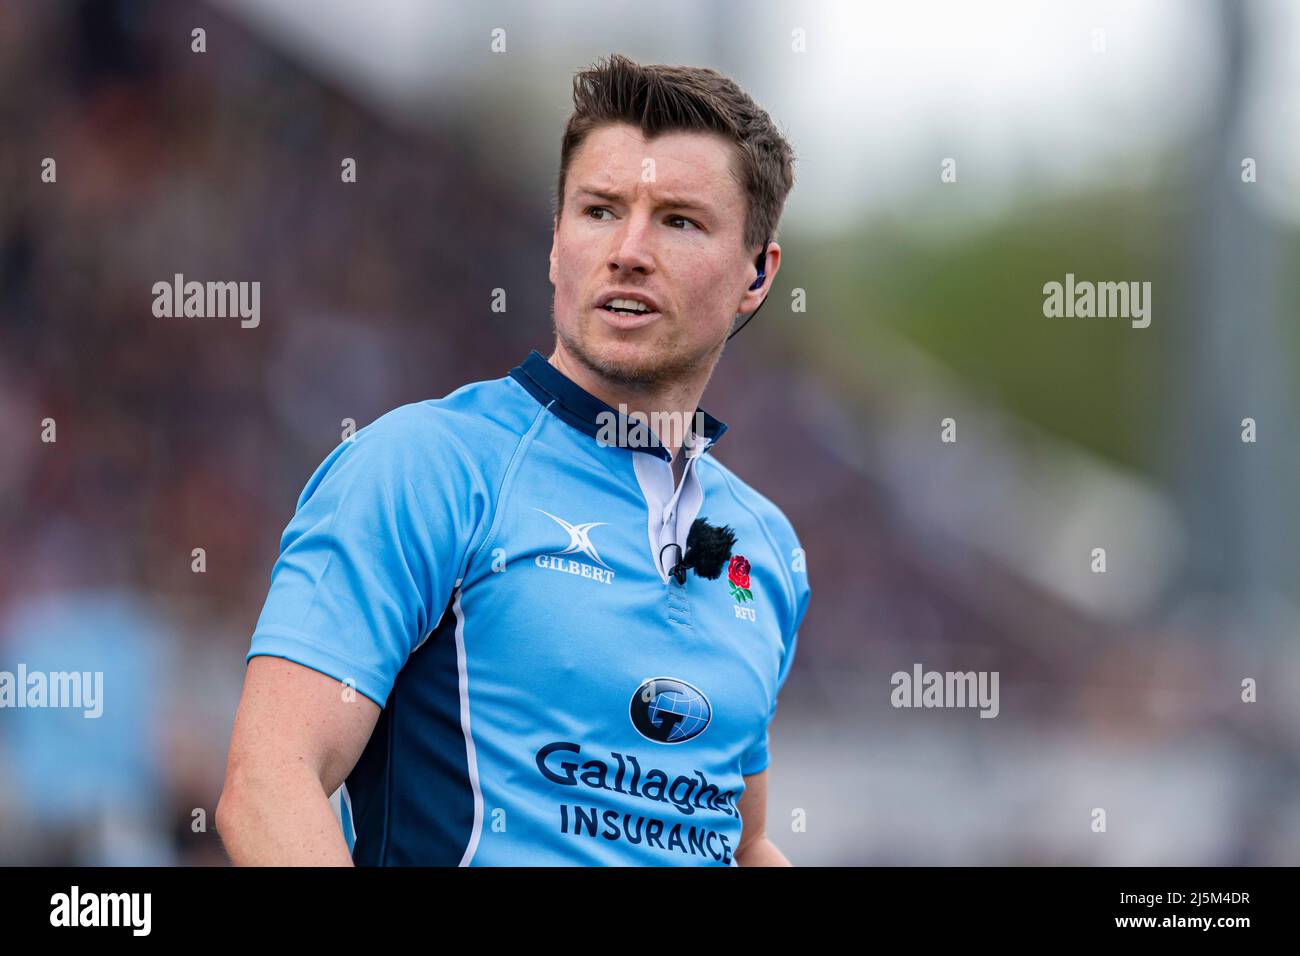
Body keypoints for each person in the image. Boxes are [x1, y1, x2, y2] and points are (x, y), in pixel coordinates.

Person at [217, 52, 808, 866]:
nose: (629, 250)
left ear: (756, 274)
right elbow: (270, 785)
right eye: (600, 211)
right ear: (556, 242)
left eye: (678, 220)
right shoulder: (424, 468)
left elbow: (742, 844)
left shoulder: (768, 547)